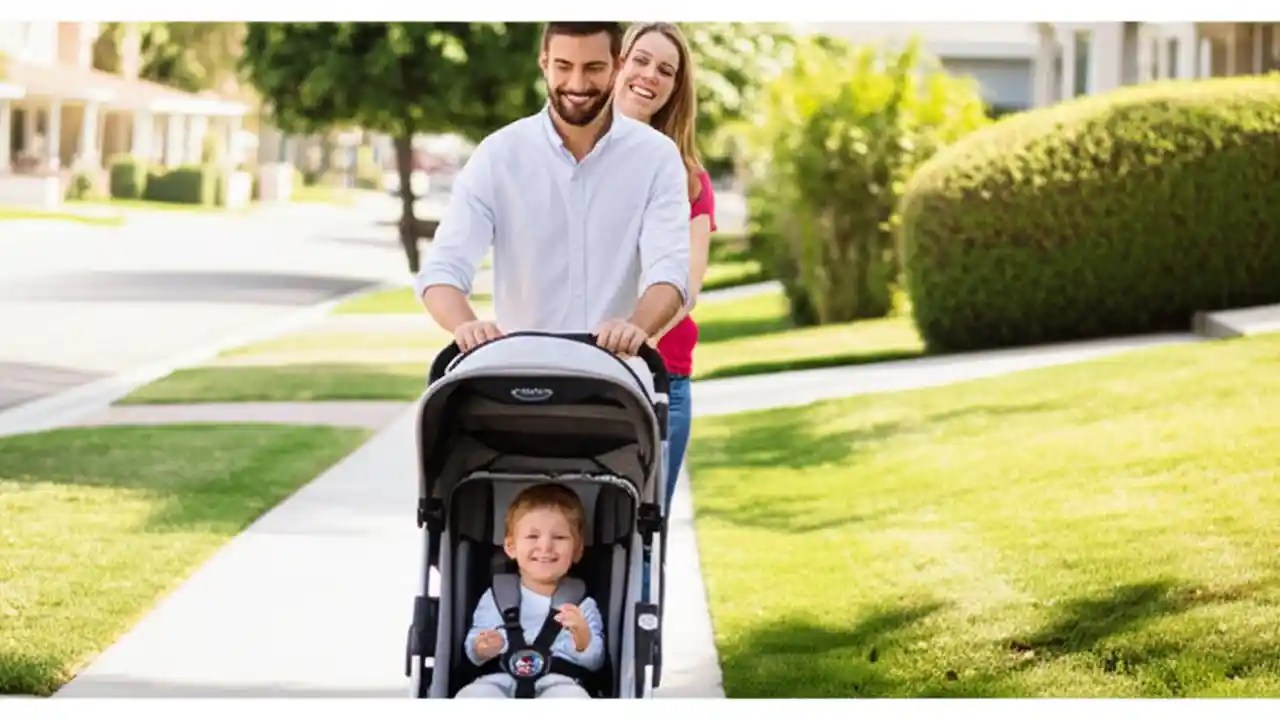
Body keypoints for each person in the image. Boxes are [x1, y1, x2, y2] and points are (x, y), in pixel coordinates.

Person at [414, 21, 692, 361]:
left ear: (618, 66)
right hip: (519, 380)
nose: (577, 83)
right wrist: (465, 325)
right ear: (544, 63)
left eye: (593, 68)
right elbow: (442, 269)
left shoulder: (657, 158)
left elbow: (670, 270)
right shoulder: (498, 155)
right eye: (563, 66)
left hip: (615, 382)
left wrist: (637, 327)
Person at [613, 22, 715, 513]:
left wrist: (634, 338)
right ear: (616, 62)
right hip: (583, 375)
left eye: (665, 70)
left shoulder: (690, 179)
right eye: (640, 60)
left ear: (676, 89)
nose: (649, 75)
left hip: (660, 379)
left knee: (643, 544)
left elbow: (687, 287)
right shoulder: (570, 158)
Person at [455, 483, 606, 699]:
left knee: (574, 698)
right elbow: (473, 648)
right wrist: (481, 647)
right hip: (498, 679)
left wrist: (583, 639)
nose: (545, 547)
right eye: (532, 537)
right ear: (511, 547)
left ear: (577, 549)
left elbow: (595, 661)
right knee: (471, 696)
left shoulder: (581, 604)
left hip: (559, 681)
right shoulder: (497, 596)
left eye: (559, 537)